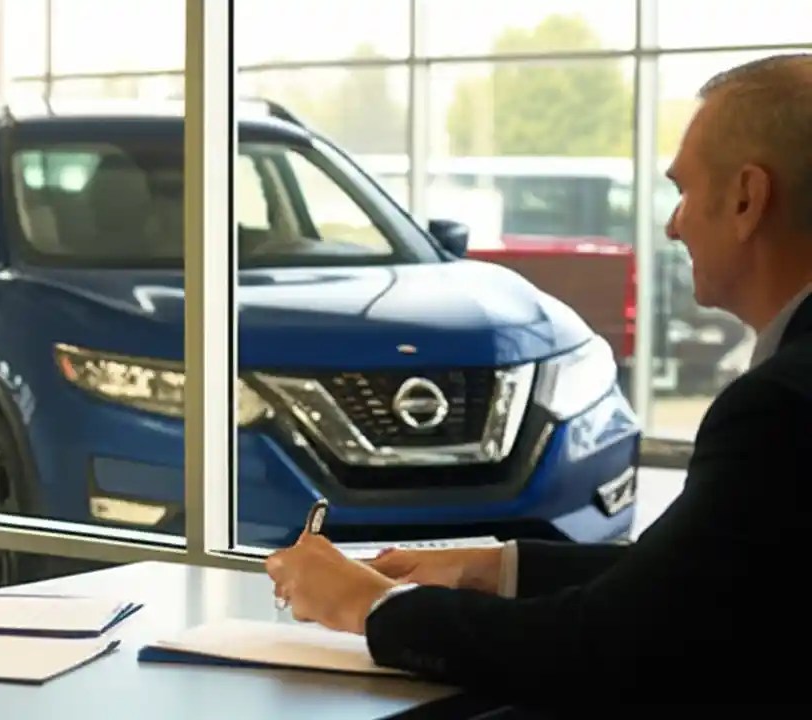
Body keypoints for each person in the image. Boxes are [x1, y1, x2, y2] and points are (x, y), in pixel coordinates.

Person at [265, 53, 812, 708]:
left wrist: (369, 606)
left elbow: (609, 645)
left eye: (684, 192)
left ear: (748, 199)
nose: (673, 224)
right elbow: (700, 577)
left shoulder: (779, 409)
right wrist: (488, 569)